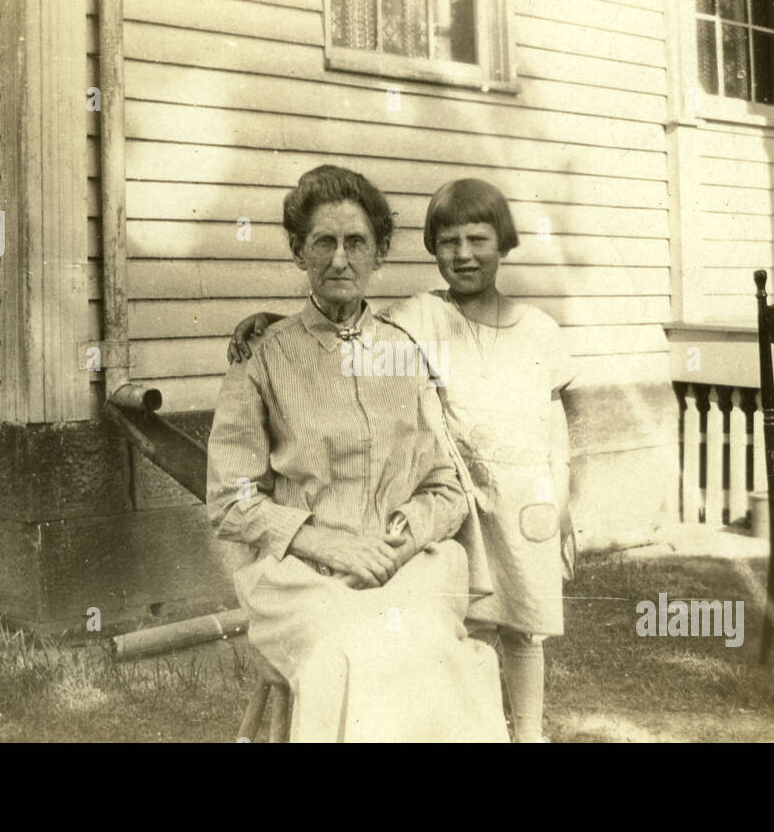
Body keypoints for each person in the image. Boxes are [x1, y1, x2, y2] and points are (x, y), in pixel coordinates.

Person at [228, 178, 575, 743]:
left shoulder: (401, 348)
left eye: (357, 243)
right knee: (354, 651)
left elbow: (444, 480)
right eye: (323, 243)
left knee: (452, 650)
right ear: (298, 251)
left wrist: (403, 536)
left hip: (412, 554)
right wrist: (327, 543)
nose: (341, 259)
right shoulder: (267, 359)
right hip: (302, 571)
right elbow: (232, 497)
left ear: (379, 253)